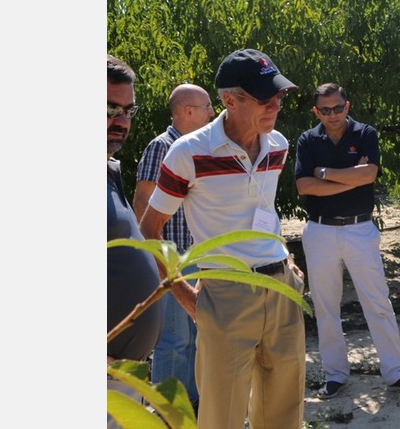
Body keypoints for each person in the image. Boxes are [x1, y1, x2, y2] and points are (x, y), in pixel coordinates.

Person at [139, 48, 306, 428]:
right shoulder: (188, 153)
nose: (275, 105)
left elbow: (263, 210)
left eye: (279, 95)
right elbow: (150, 229)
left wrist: (288, 261)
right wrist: (185, 295)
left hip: (282, 288)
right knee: (221, 414)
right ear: (230, 100)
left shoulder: (276, 145)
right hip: (225, 292)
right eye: (265, 98)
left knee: (285, 410)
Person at [294, 83, 400, 399]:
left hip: (359, 229)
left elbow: (369, 175)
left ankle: (396, 372)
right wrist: (349, 177)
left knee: (377, 301)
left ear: (347, 106)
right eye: (325, 110)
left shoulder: (365, 134)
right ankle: (335, 375)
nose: (332, 115)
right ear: (316, 111)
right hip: (320, 231)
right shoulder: (308, 140)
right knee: (325, 306)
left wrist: (324, 173)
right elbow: (304, 186)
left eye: (338, 108)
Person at [132, 83, 214, 410]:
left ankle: (189, 404)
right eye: (207, 106)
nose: (213, 113)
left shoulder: (198, 148)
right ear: (188, 111)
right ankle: (167, 410)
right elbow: (142, 202)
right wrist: (157, 261)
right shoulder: (161, 146)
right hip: (172, 260)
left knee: (195, 338)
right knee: (173, 341)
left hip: (197, 257)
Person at [107, 55, 163, 424]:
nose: (122, 122)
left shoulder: (109, 168)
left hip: (123, 375)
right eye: (110, 109)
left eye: (128, 110)